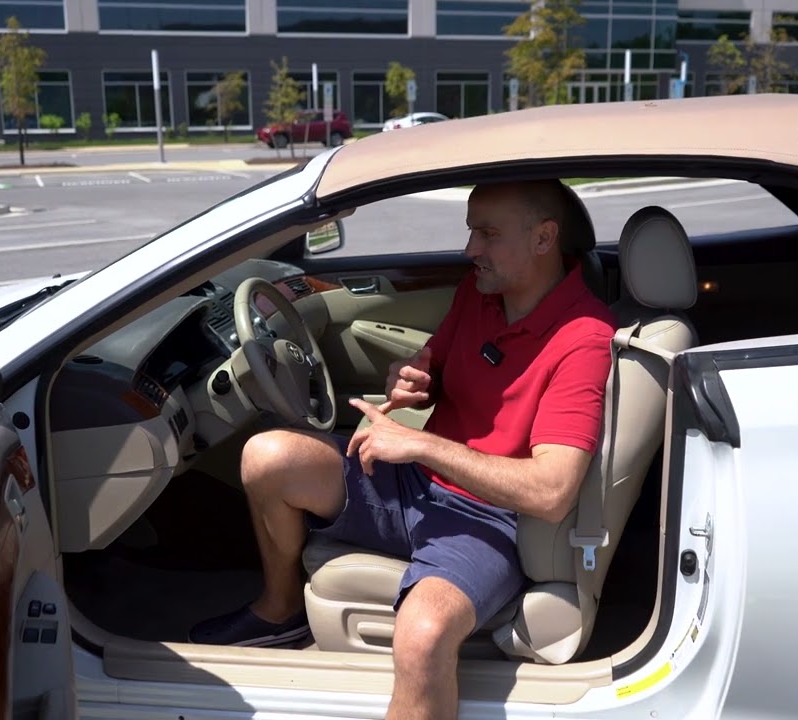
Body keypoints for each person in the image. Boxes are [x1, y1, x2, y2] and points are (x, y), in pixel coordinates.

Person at [189, 179, 619, 719]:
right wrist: (417, 377)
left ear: (543, 238)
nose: (470, 251)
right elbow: (435, 361)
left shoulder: (582, 337)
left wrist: (419, 444)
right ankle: (281, 612)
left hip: (490, 520)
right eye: (470, 232)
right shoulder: (481, 291)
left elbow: (552, 491)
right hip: (416, 485)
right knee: (267, 458)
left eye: (487, 234)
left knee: (421, 636)